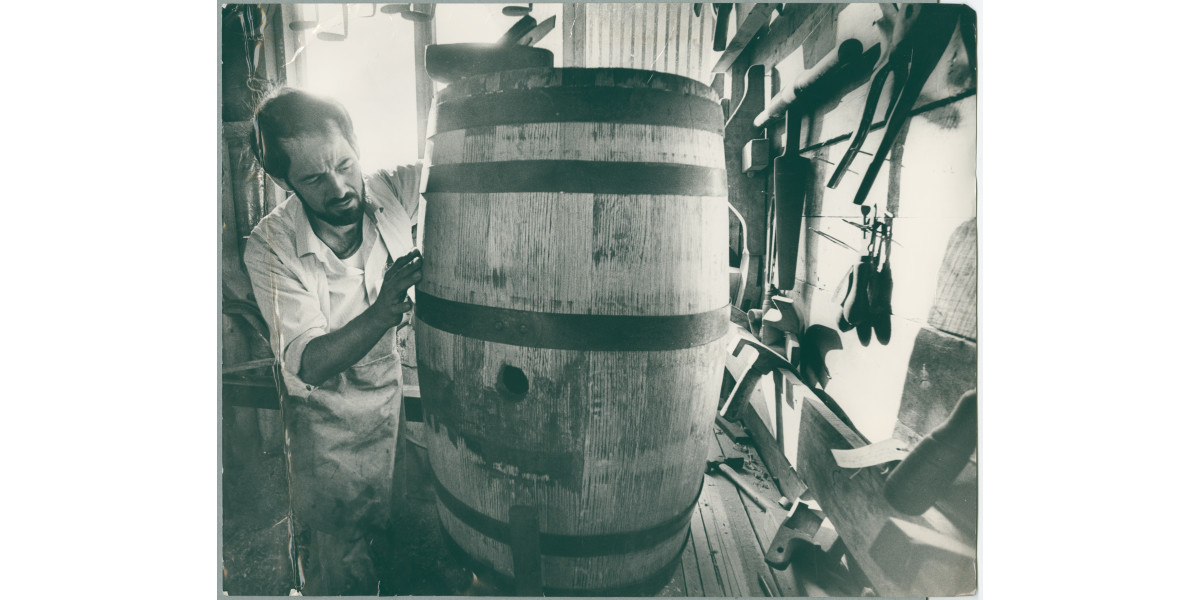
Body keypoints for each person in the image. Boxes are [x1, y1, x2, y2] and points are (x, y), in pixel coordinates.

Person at [243, 87, 423, 595]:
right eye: (314, 178)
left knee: (393, 548)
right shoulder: (270, 246)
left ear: (356, 145)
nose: (341, 186)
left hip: (386, 415)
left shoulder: (389, 193)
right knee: (338, 574)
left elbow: (458, 158)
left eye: (345, 163)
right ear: (283, 181)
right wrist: (385, 308)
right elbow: (310, 363)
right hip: (325, 430)